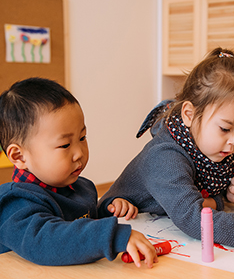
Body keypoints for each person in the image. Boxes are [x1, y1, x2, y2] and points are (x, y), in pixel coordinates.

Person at [98, 48, 234, 251]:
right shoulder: (164, 157)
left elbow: (202, 197)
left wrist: (230, 187)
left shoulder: (209, 148)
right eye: (225, 128)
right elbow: (192, 217)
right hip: (117, 232)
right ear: (189, 114)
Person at [0, 78, 158, 267]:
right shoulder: (16, 203)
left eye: (82, 137)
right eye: (65, 144)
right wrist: (112, 235)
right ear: (19, 156)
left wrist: (108, 209)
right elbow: (48, 241)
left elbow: (83, 219)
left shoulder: (81, 187)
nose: (79, 153)